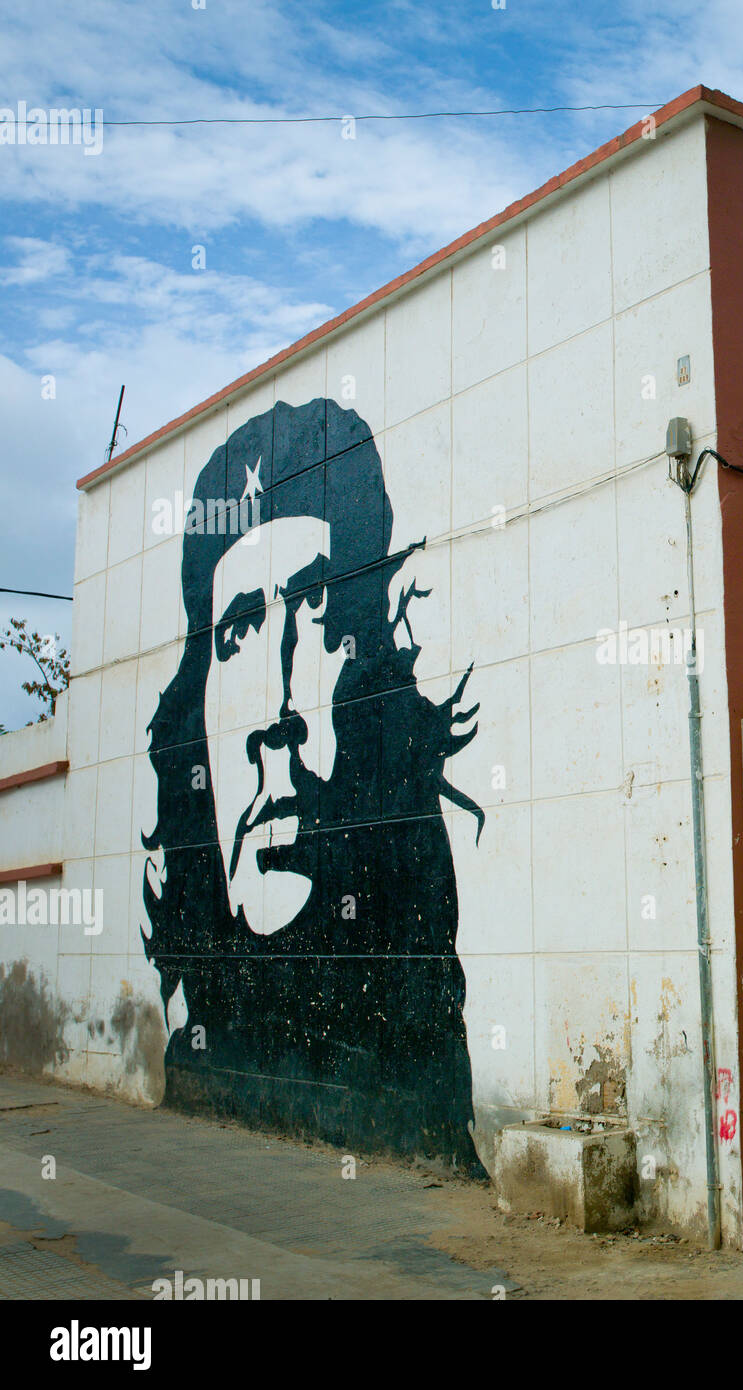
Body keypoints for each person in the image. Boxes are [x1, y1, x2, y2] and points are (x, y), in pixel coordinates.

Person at [141, 397, 483, 1169]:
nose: (277, 711)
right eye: (238, 630)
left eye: (317, 605)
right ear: (192, 714)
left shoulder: (423, 1033)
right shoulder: (193, 1048)